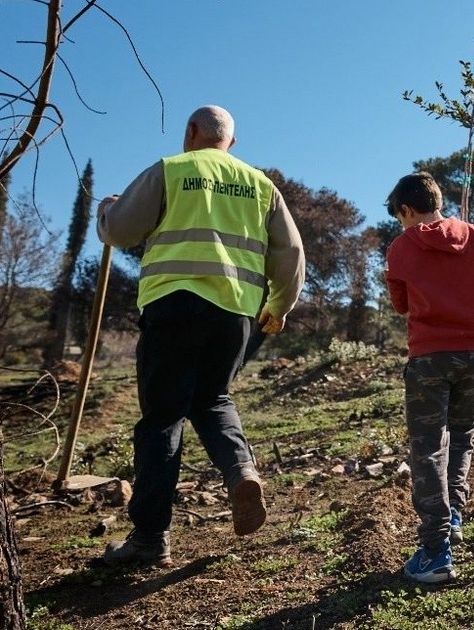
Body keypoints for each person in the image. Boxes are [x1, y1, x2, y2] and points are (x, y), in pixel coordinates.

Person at [96, 105, 306, 567]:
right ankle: (241, 470)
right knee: (213, 398)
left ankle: (150, 538)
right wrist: (278, 307)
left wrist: (106, 212)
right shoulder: (260, 184)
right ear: (232, 142)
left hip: (173, 305)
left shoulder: (170, 170)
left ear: (191, 131)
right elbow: (291, 252)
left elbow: (121, 232)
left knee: (162, 419)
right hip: (235, 313)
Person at [384, 171, 474, 584]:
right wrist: (465, 298)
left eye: (399, 217)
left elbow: (401, 305)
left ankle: (435, 551)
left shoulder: (401, 247)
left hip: (429, 358)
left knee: (428, 449)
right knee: (462, 438)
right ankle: (453, 514)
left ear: (406, 209)